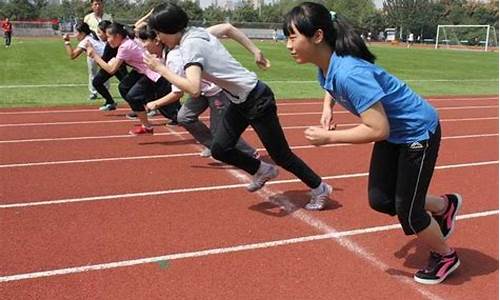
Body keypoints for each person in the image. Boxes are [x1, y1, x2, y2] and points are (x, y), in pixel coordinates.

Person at [283, 2, 462, 284]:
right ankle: (443, 206)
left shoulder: (349, 73)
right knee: (381, 200)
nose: (288, 45)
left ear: (317, 36)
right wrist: (327, 108)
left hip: (417, 132)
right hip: (397, 134)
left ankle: (446, 255)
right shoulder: (327, 67)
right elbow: (332, 87)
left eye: (292, 37)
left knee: (410, 213)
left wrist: (329, 137)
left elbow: (377, 128)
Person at [145, 2, 332, 210]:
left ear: (169, 30)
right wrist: (255, 50)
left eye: (159, 33)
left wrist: (161, 68)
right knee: (220, 149)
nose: (158, 38)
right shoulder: (197, 32)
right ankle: (261, 169)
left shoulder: (190, 46)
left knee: (281, 155)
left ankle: (320, 188)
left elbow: (194, 88)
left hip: (257, 99)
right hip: (238, 100)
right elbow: (227, 28)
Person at [138, 26, 258, 158]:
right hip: (201, 91)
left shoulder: (174, 57)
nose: (143, 46)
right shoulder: (170, 51)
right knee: (184, 117)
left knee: (219, 130)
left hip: (216, 90)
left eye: (144, 42)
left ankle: (249, 153)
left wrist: (155, 103)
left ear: (157, 40)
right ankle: (213, 146)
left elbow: (178, 93)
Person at [87, 22, 179, 135]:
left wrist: (94, 56)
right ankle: (144, 115)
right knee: (124, 87)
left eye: (109, 36)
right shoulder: (125, 43)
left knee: (143, 99)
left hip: (153, 73)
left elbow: (111, 70)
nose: (107, 39)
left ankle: (168, 114)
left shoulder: (125, 46)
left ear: (117, 36)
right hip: (143, 71)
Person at [62, 22, 108, 109]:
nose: (75, 35)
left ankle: (135, 104)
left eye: (76, 32)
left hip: (110, 61)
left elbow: (72, 55)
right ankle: (110, 102)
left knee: (124, 84)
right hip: (109, 59)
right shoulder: (92, 35)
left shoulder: (85, 41)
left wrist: (67, 41)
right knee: (98, 82)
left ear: (82, 33)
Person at [91, 20, 128, 111]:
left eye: (100, 32)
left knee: (127, 86)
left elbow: (103, 60)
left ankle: (142, 105)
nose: (98, 35)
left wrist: (94, 55)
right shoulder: (109, 42)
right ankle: (110, 102)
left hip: (117, 66)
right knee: (97, 82)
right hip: (112, 65)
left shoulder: (110, 44)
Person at [84, 0, 113, 100]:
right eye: (95, 4)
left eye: (99, 4)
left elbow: (112, 32)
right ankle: (93, 92)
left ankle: (106, 91)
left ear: (102, 5)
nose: (97, 6)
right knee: (92, 70)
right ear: (92, 6)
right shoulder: (87, 18)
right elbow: (85, 33)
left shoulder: (108, 17)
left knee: (105, 69)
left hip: (105, 48)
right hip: (92, 48)